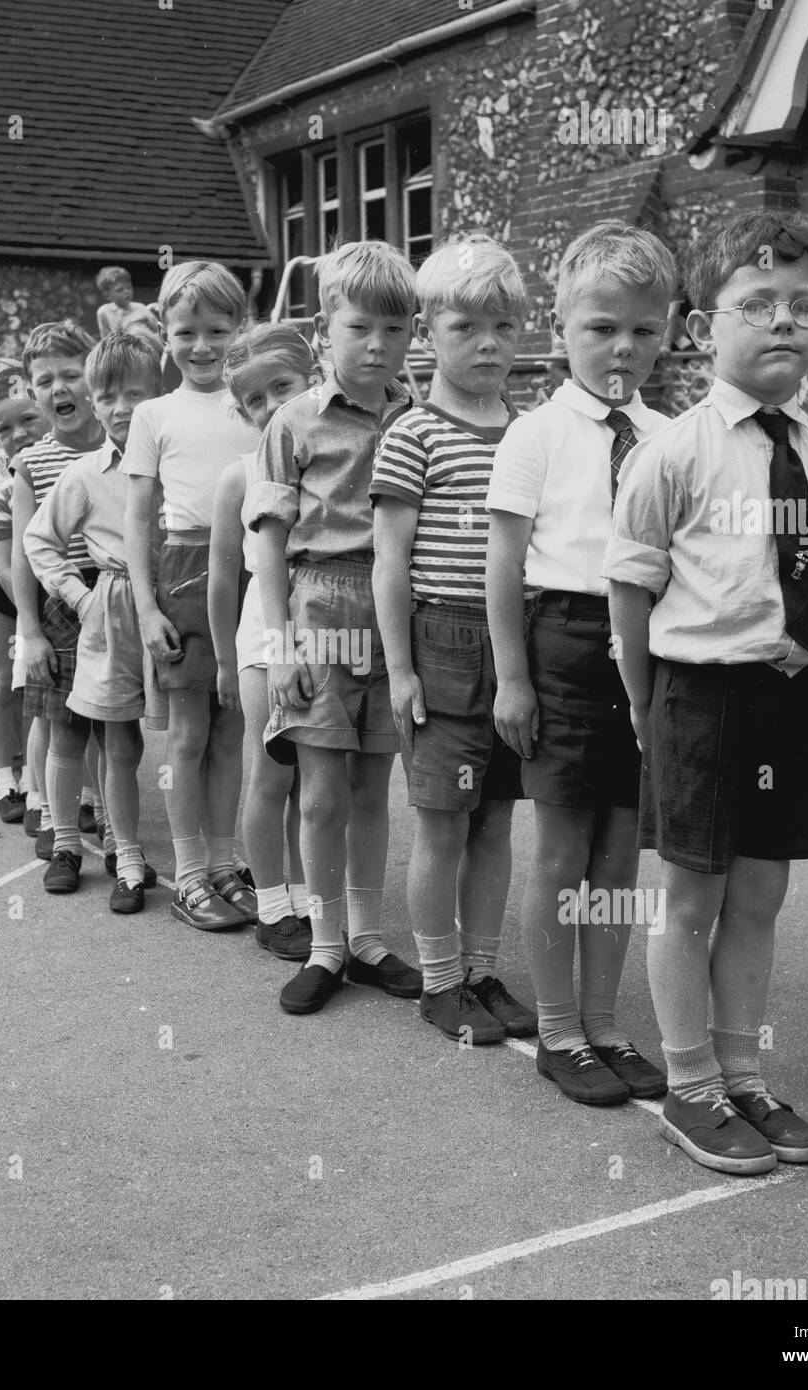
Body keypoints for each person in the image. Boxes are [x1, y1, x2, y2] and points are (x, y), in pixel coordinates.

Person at [605, 211, 808, 1173]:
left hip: (787, 702)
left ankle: (743, 1074)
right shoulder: (672, 452)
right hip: (701, 698)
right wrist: (641, 701)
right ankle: (691, 1085)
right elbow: (631, 585)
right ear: (709, 324)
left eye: (804, 304)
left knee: (761, 892)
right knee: (690, 899)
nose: (781, 320)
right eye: (757, 303)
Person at [487, 220, 676, 1103]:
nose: (622, 346)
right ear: (560, 326)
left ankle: (605, 1021)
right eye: (601, 326)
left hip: (646, 648)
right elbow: (504, 567)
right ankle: (559, 1028)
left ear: (667, 331)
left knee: (620, 855)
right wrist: (514, 679)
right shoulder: (535, 435)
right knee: (562, 848)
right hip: (561, 640)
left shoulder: (670, 436)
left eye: (642, 328)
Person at [248, 240, 423, 1014]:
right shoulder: (292, 421)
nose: (377, 345)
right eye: (359, 328)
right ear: (326, 328)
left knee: (372, 789)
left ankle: (367, 937)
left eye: (395, 329)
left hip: (393, 609)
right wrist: (280, 641)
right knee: (320, 795)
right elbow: (268, 541)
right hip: (319, 603)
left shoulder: (418, 422)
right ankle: (323, 945)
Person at [372, 233, 539, 1045]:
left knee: (497, 817)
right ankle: (439, 981)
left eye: (503, 327)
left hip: (517, 642)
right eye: (466, 325)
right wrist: (400, 670)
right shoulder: (413, 434)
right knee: (444, 821)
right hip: (441, 639)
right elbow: (389, 562)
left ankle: (482, 969)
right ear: (428, 331)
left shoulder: (532, 433)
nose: (487, 343)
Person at [123, 261, 260, 929]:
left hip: (250, 570)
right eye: (186, 332)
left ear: (240, 328)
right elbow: (138, 518)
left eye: (217, 330)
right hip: (183, 573)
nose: (202, 346)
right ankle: (188, 874)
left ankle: (226, 861)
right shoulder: (153, 414)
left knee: (232, 731)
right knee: (188, 734)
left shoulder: (258, 405)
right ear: (163, 333)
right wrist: (147, 609)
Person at [25, 332, 165, 907]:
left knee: (132, 741)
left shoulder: (173, 461)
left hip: (167, 608)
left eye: (135, 394)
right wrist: (81, 599)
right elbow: (39, 540)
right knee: (76, 730)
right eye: (106, 397)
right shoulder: (83, 473)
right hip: (106, 609)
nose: (120, 408)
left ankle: (131, 852)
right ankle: (66, 842)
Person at [209, 323, 323, 959]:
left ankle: (308, 894)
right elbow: (225, 577)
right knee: (271, 771)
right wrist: (227, 659)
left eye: (283, 386)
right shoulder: (240, 475)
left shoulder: (339, 454)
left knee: (316, 775)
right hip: (264, 633)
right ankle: (273, 902)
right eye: (256, 399)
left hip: (329, 627)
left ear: (312, 378)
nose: (273, 405)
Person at [13, 320, 109, 870]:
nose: (59, 389)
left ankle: (113, 830)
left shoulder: (127, 443)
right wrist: (29, 630)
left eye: (71, 375)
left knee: (113, 727)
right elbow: (25, 554)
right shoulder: (31, 462)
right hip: (59, 604)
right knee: (60, 723)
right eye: (45, 380)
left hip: (114, 593)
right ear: (32, 391)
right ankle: (59, 825)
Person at [0, 362, 50, 825]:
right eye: (4, 428)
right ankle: (15, 781)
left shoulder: (70, 471)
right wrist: (34, 613)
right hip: (19, 597)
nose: (18, 434)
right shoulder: (4, 493)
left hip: (66, 600)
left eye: (28, 419)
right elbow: (7, 566)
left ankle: (72, 793)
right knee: (16, 689)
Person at [95, 266, 162, 352]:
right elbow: (106, 341)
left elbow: (159, 332)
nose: (126, 291)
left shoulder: (140, 307)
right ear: (107, 295)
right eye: (119, 290)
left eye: (128, 287)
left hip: (151, 350)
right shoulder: (104, 311)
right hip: (124, 353)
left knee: (137, 331)